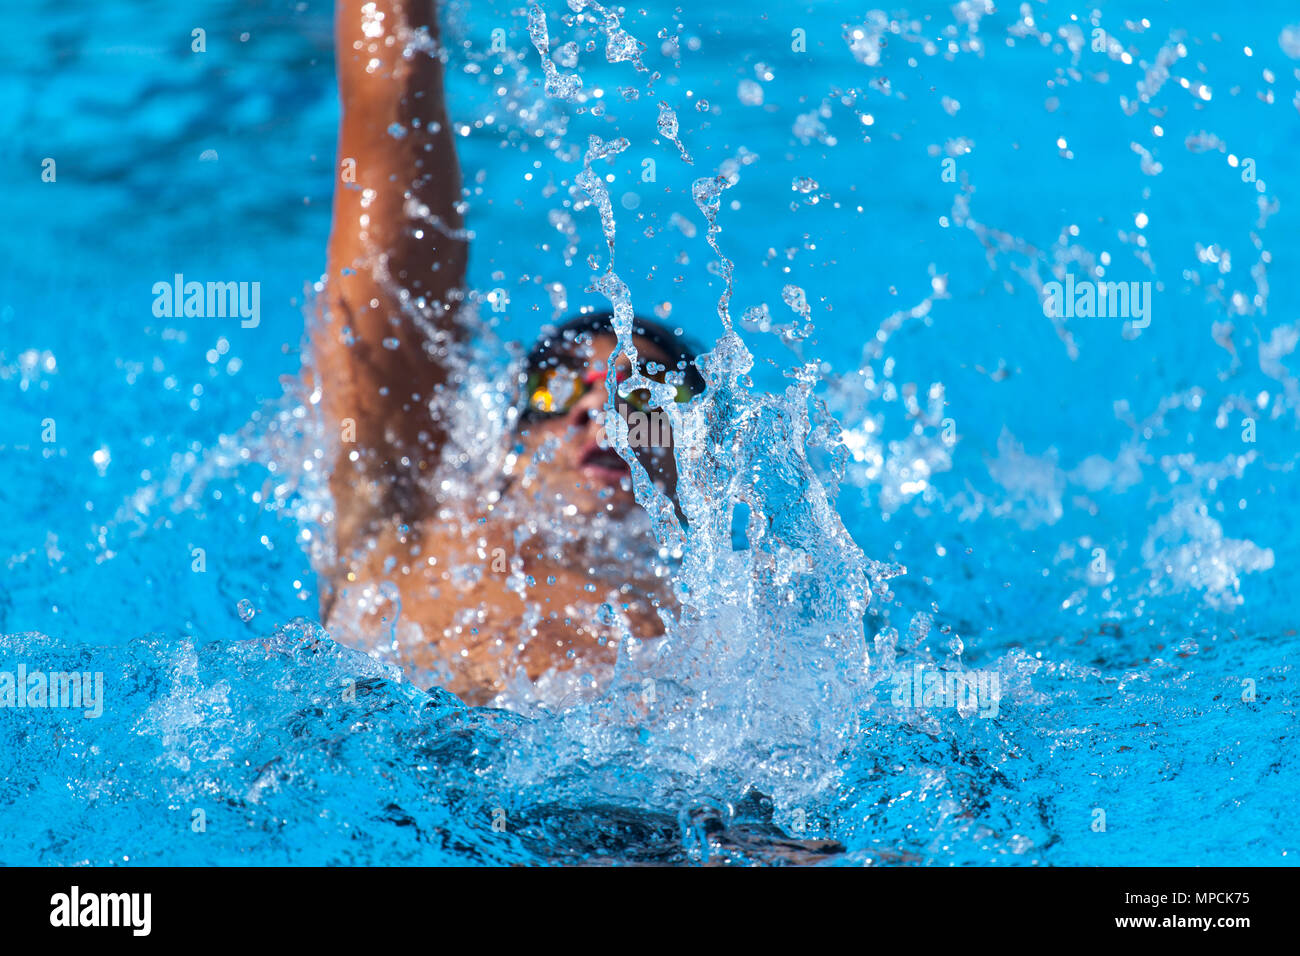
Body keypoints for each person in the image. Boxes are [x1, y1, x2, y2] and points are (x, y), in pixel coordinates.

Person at [311, 0, 703, 705]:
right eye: (556, 391)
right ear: (509, 444)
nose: (599, 411)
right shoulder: (406, 527)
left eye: (645, 393)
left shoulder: (748, 606)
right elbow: (385, 248)